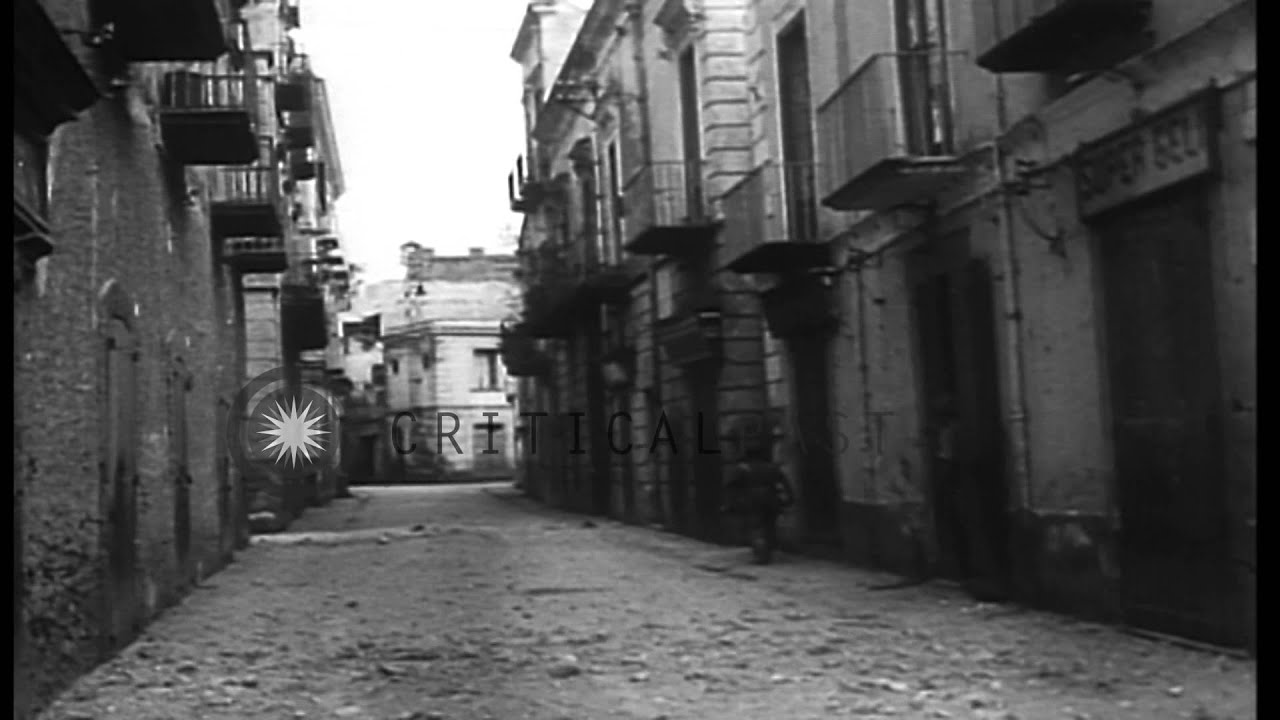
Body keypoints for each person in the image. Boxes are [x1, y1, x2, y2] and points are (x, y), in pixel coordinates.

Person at [723, 433, 795, 563]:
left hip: (751, 501)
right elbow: (785, 484)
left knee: (755, 526)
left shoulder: (742, 469)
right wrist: (789, 499)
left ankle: (760, 551)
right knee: (770, 524)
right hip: (771, 500)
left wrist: (731, 503)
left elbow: (730, 487)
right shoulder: (772, 468)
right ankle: (769, 549)